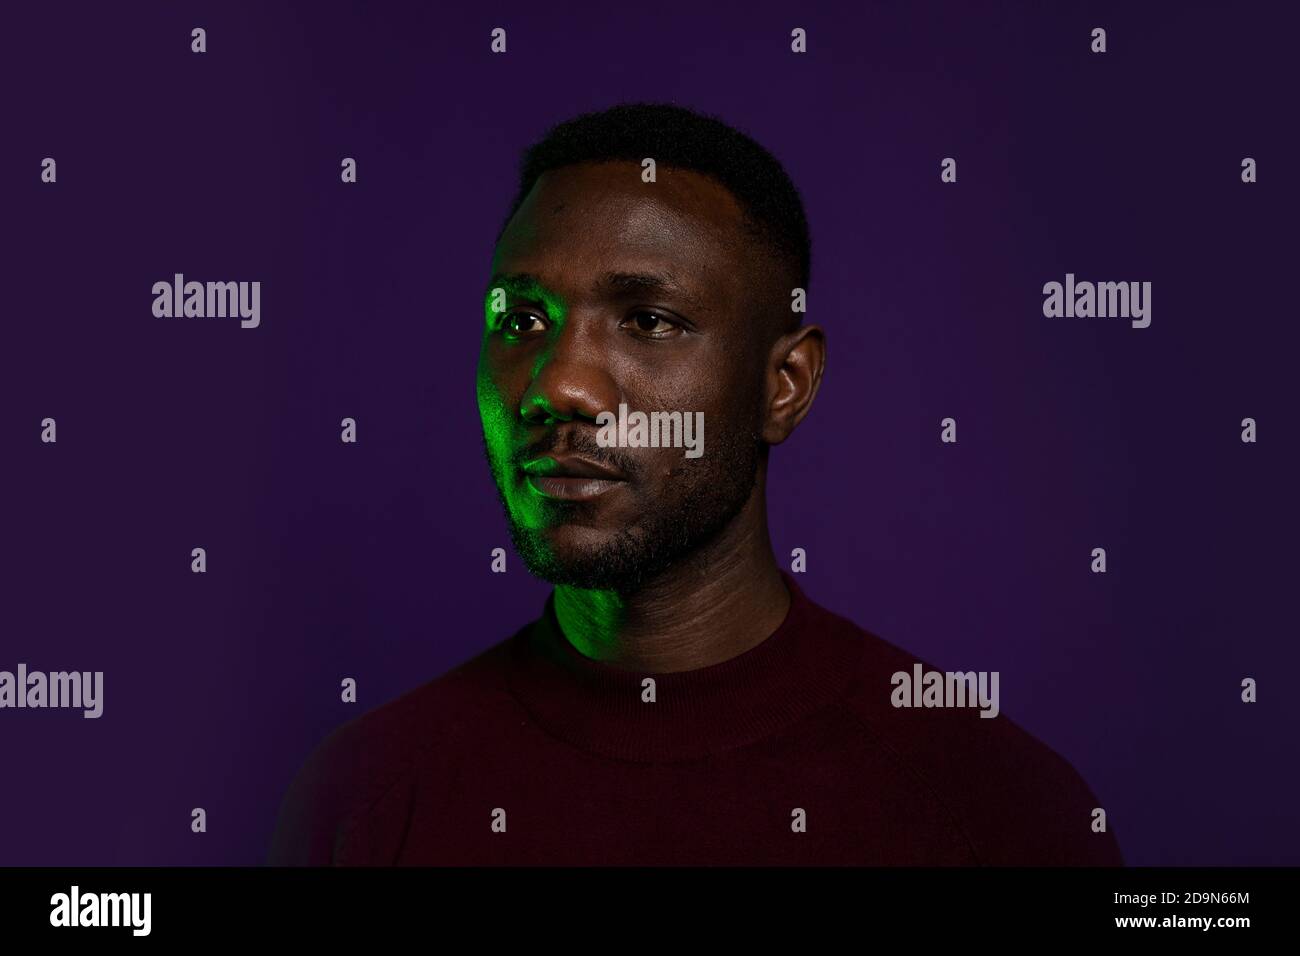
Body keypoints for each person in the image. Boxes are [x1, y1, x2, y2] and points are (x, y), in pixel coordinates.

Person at [267, 102, 1123, 866]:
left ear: (783, 384)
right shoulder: (367, 798)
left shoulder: (994, 809)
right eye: (523, 320)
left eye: (649, 321)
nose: (558, 387)